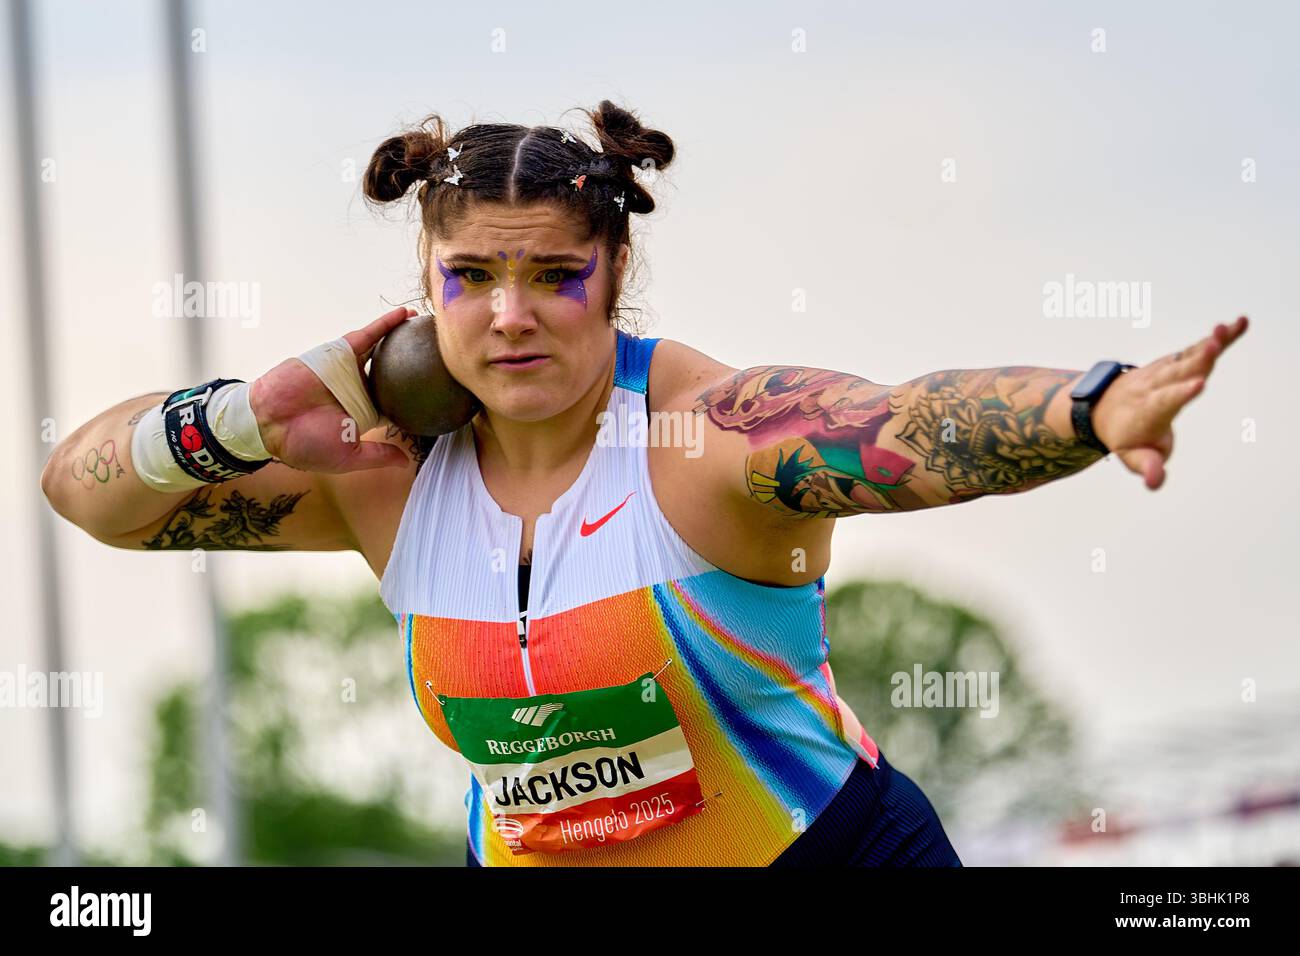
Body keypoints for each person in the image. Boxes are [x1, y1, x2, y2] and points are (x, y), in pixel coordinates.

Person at [40, 100, 1249, 867]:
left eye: (555, 274)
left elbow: (903, 424)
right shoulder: (380, 476)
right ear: (427, 278)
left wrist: (1091, 405)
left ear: (614, 273)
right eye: (470, 277)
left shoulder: (702, 437)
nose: (510, 317)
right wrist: (243, 415)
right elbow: (87, 493)